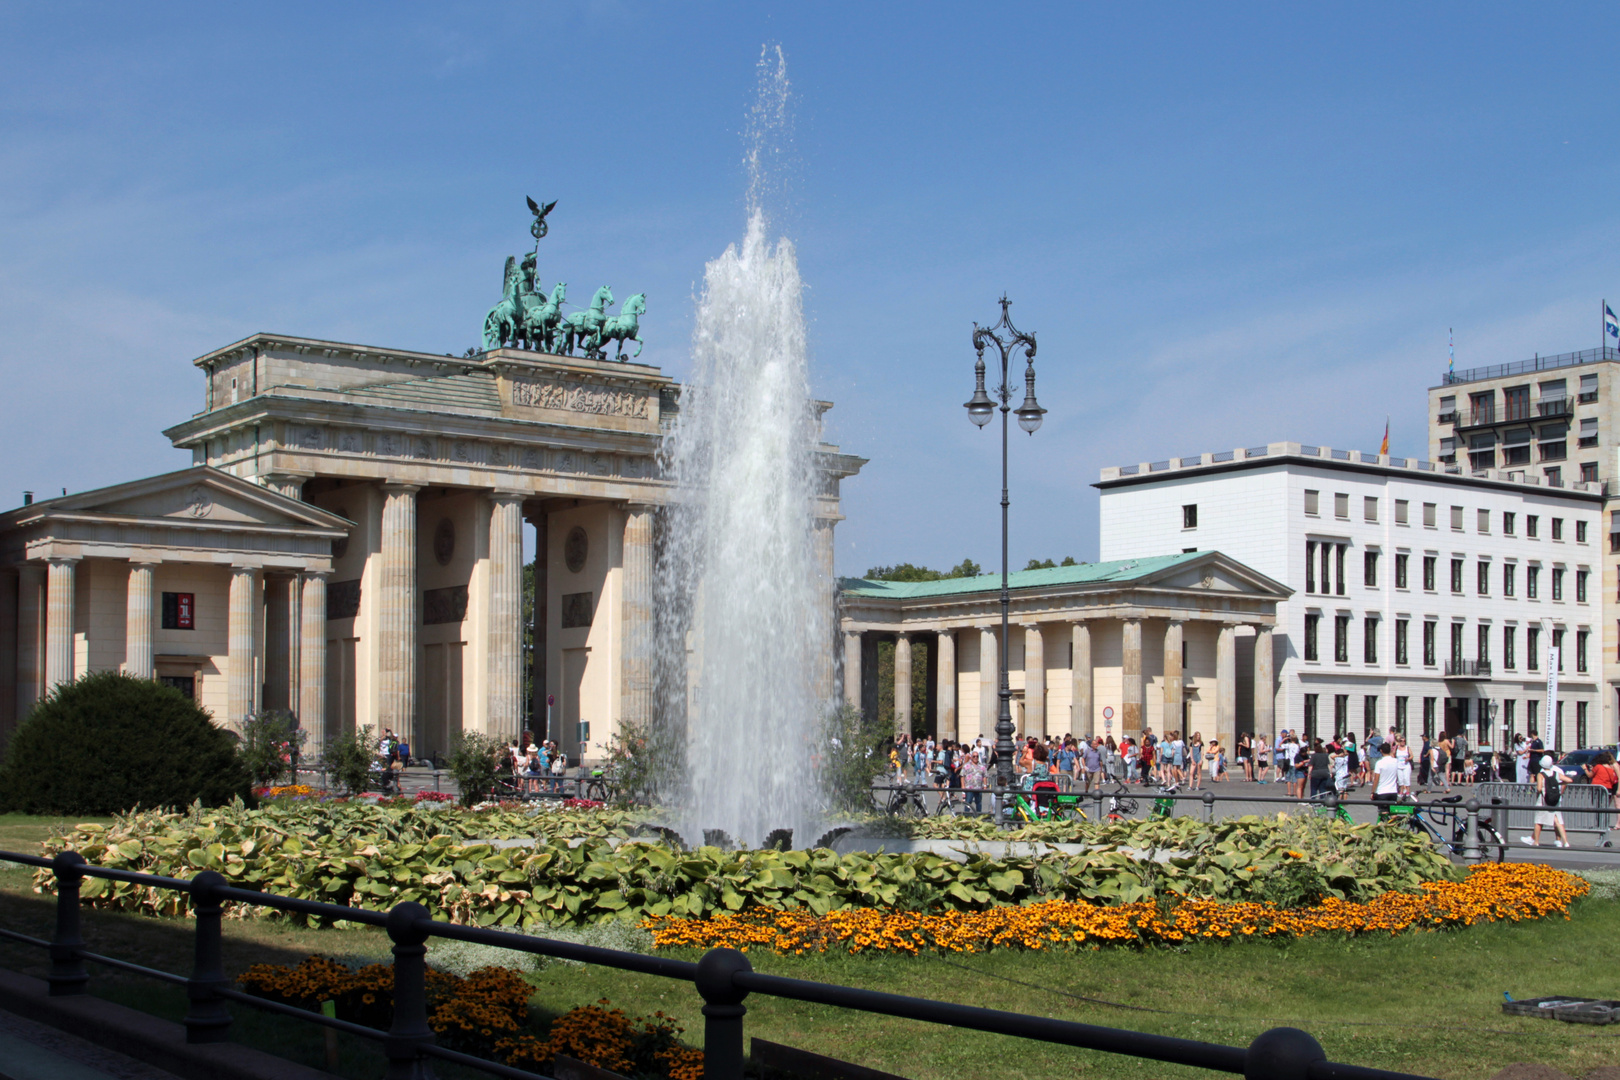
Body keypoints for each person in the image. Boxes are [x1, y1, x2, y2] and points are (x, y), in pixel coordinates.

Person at [1523, 755, 1571, 848]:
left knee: (1538, 821)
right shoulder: (1556, 773)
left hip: (1543, 799)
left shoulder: (1541, 774)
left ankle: (1536, 841)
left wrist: (1542, 790)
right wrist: (1559, 784)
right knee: (1558, 821)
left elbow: (1539, 788)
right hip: (1555, 799)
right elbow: (1569, 780)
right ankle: (1565, 842)